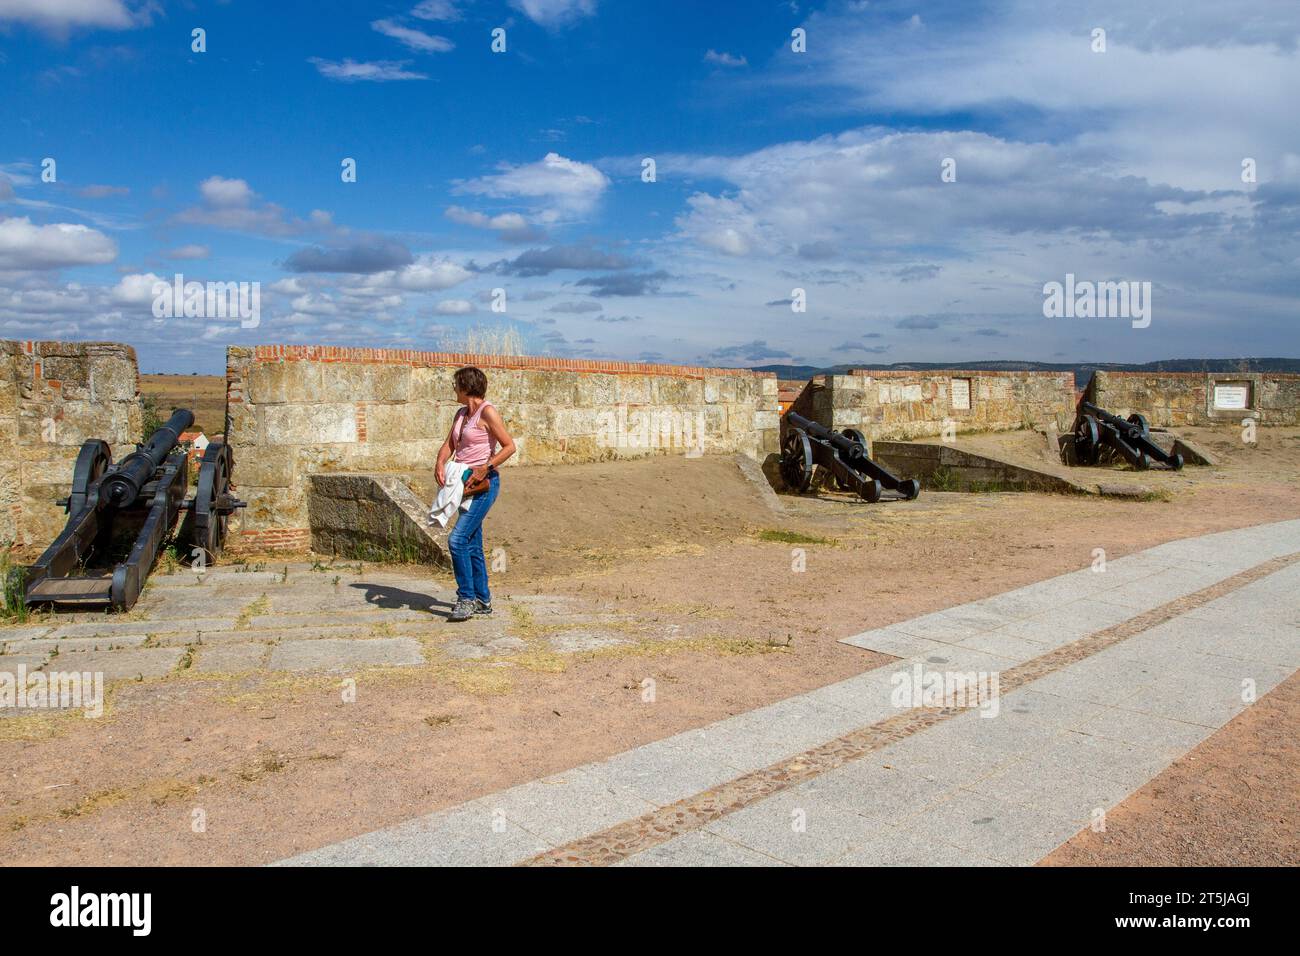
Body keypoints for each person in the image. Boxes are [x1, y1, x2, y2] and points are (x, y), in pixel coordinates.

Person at [435, 366, 516, 622]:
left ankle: (466, 598)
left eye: (456, 383)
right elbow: (450, 444)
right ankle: (482, 600)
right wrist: (440, 462)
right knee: (471, 544)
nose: (453, 388)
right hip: (462, 483)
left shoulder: (487, 411)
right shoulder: (461, 414)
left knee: (456, 540)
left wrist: (486, 467)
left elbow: (509, 446)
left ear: (467, 385)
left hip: (483, 485)